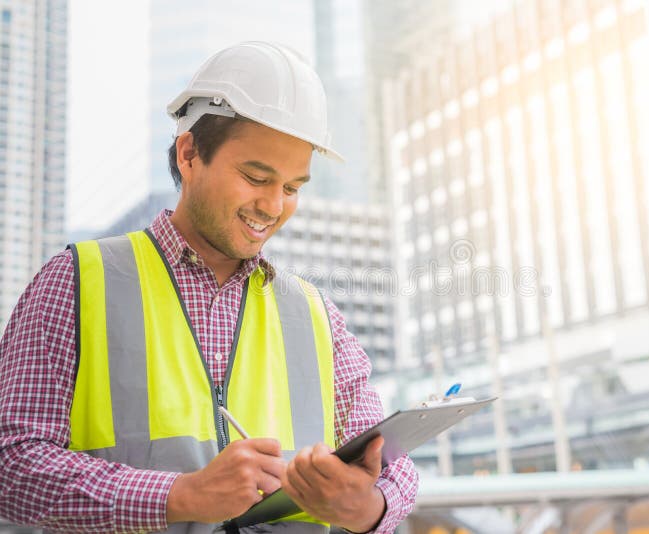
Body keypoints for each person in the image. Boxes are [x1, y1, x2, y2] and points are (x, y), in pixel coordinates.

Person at [0, 41, 418, 533]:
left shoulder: (315, 315)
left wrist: (366, 508)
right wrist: (182, 495)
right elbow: (12, 466)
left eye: (292, 188)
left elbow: (394, 469)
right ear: (190, 153)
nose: (273, 206)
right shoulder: (75, 281)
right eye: (256, 177)